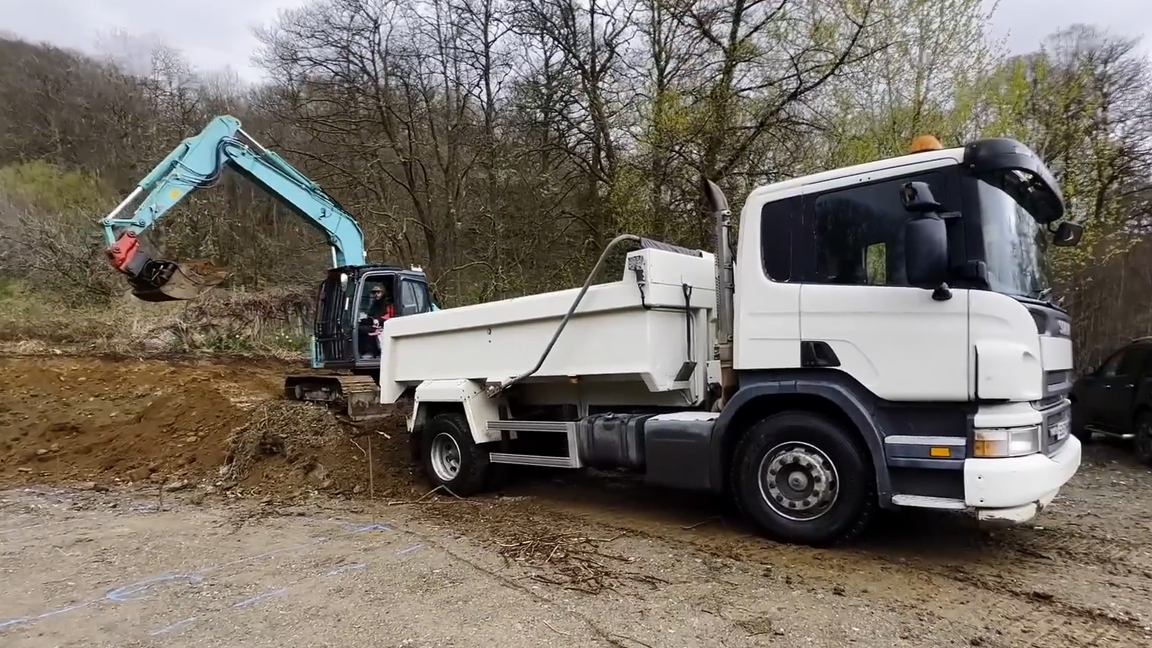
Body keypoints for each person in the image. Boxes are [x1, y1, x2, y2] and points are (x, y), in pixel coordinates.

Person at [358, 283, 395, 358]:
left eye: (378, 292)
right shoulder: (374, 304)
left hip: (383, 326)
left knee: (366, 331)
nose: (376, 294)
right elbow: (370, 314)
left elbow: (389, 316)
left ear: (383, 293)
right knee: (359, 328)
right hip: (374, 324)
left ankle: (371, 351)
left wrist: (379, 320)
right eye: (374, 293)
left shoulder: (388, 304)